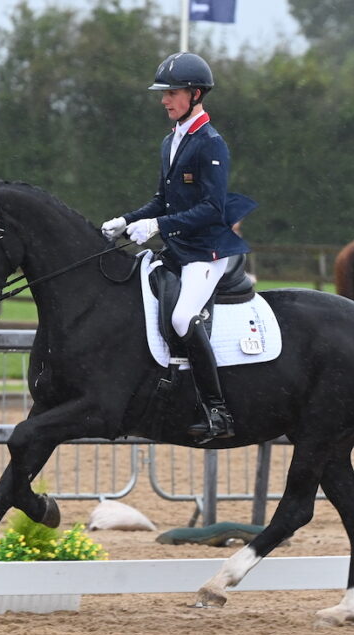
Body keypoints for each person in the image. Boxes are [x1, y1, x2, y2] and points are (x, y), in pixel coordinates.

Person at [100, 52, 250, 443]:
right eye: (163, 93)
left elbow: (212, 209)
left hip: (206, 252)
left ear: (195, 94)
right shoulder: (171, 141)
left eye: (173, 93)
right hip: (178, 250)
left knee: (183, 319)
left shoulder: (211, 144)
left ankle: (218, 410)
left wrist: (158, 225)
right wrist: (129, 219)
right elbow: (162, 201)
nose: (165, 100)